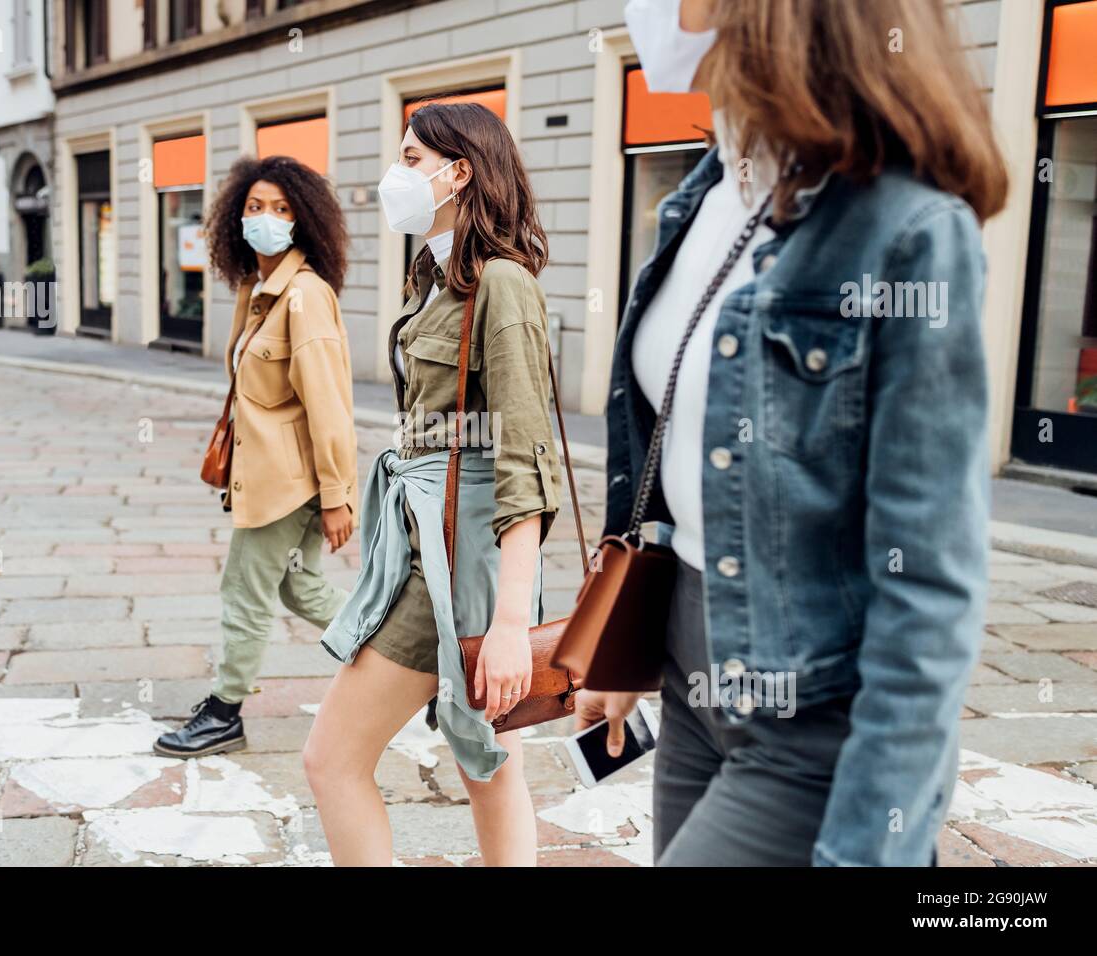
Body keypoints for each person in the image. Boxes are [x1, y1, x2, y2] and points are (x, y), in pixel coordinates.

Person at [578, 0, 1007, 866]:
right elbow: (674, 448)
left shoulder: (907, 229)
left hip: (810, 723)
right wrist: (628, 647)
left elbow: (929, 585)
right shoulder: (711, 190)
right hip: (691, 671)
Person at [302, 102, 562, 866]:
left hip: (460, 561)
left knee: (333, 759)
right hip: (428, 543)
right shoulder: (436, 279)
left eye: (412, 158)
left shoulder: (504, 286)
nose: (398, 172)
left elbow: (524, 460)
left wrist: (512, 627)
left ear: (461, 172)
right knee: (485, 758)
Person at [155, 155, 358, 758]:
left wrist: (338, 494)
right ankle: (409, 661)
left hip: (288, 484)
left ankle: (225, 711)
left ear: (304, 221)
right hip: (271, 475)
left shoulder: (304, 297)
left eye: (281, 209)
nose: (264, 219)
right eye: (253, 208)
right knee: (300, 590)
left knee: (244, 589)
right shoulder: (256, 291)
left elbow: (329, 404)